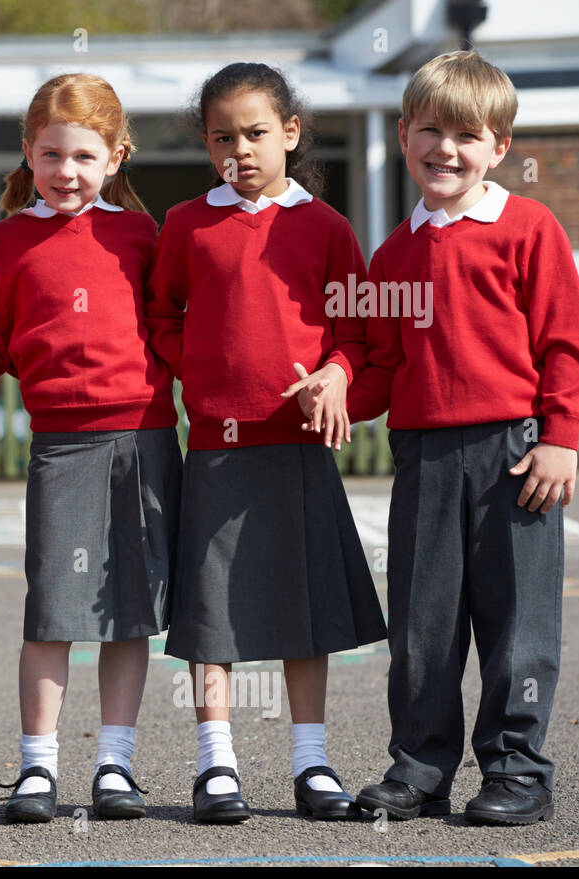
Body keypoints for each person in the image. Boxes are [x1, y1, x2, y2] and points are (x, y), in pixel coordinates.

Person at [146, 62, 386, 824]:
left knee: (303, 610)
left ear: (290, 132)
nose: (239, 150)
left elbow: (357, 330)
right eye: (223, 137)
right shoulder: (187, 223)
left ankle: (311, 765)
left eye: (255, 133)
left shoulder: (326, 226)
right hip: (216, 449)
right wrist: (205, 371)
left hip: (300, 449)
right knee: (210, 614)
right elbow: (163, 318)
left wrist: (338, 374)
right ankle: (215, 765)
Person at [345, 51, 579, 825]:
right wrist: (336, 387)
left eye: (467, 135)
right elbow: (381, 367)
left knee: (519, 627)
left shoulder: (528, 227)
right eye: (430, 130)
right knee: (422, 629)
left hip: (517, 455)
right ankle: (418, 767)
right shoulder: (393, 253)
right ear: (404, 134)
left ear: (499, 147)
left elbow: (565, 343)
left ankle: (517, 771)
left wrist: (562, 438)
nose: (446, 148)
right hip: (423, 457)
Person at [0, 74, 180, 823]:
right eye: (51, 155)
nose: (67, 172)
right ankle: (37, 768)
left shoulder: (140, 236)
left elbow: (169, 322)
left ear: (117, 157)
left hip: (146, 439)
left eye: (84, 156)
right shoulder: (7, 241)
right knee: (55, 611)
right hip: (62, 446)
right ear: (29, 155)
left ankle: (115, 765)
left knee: (128, 613)